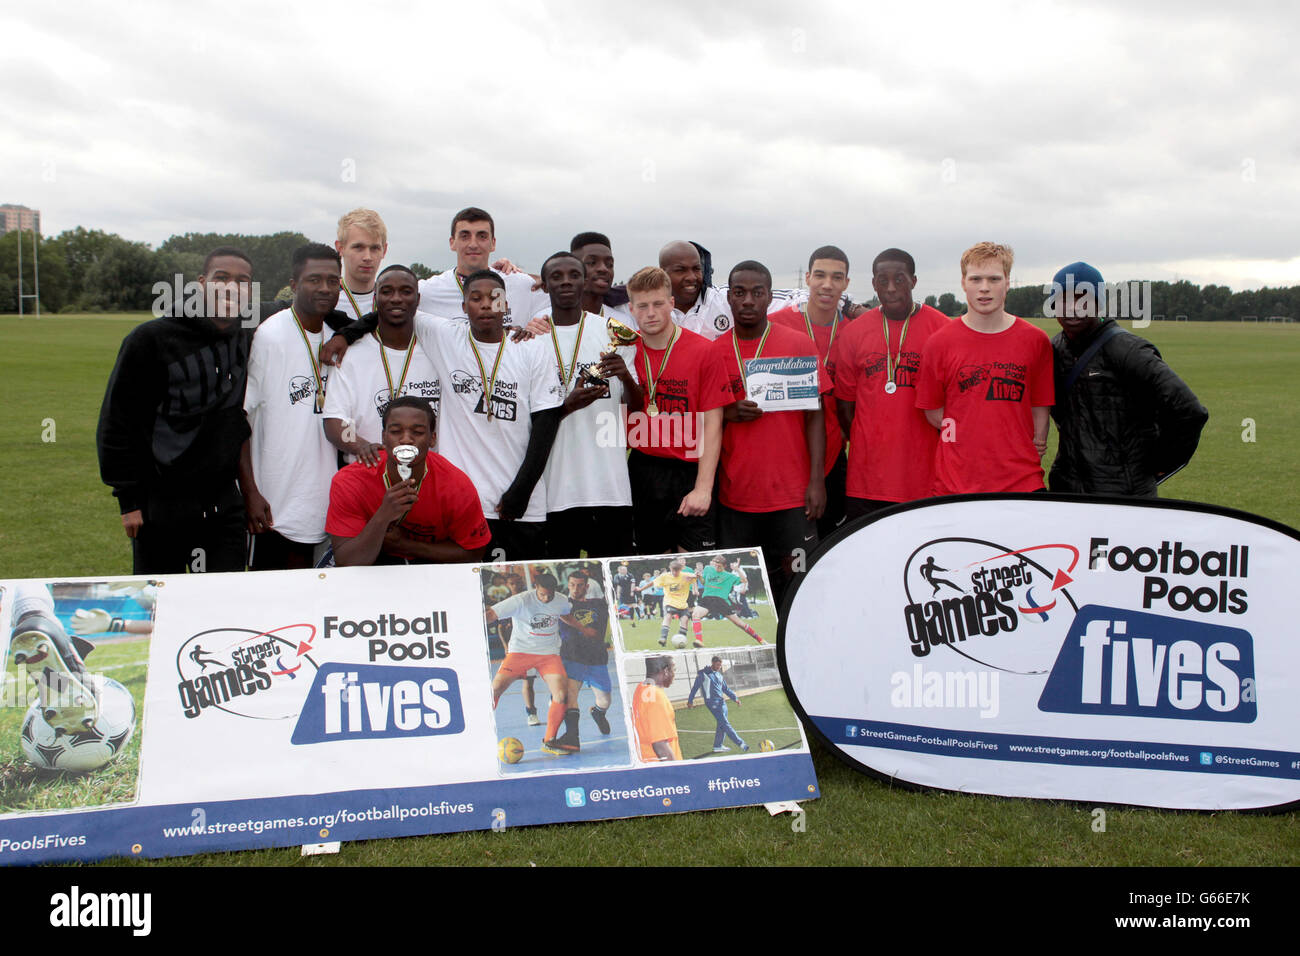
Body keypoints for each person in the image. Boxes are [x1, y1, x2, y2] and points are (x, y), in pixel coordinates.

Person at [97, 246, 353, 574]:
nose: (231, 287)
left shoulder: (248, 329)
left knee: (224, 603)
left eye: (242, 281)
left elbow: (317, 305)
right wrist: (128, 501)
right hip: (162, 501)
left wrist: (347, 333)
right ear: (201, 283)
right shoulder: (151, 339)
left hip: (223, 504)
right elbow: (118, 422)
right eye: (222, 278)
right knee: (162, 600)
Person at [412, 271, 566, 559]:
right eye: (476, 298)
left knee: (514, 597)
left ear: (506, 305)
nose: (485, 305)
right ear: (463, 307)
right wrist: (346, 336)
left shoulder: (531, 348)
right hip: (459, 504)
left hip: (518, 507)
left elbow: (547, 423)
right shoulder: (446, 336)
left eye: (494, 298)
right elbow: (394, 307)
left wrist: (521, 490)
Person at [711, 260, 830, 605]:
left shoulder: (798, 345)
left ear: (768, 298)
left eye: (757, 292)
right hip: (736, 496)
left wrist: (817, 480)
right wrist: (727, 413)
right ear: (729, 299)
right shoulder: (714, 352)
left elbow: (815, 417)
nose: (748, 300)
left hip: (792, 496)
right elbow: (703, 420)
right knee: (738, 590)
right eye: (739, 292)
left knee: (800, 581)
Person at [1047, 261, 1208, 495]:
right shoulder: (1052, 350)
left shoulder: (1129, 350)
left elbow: (1189, 411)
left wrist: (1158, 465)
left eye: (1083, 299)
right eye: (1064, 299)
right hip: (1067, 491)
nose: (1073, 308)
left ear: (1099, 303)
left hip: (1124, 496)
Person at [915, 242, 1054, 494]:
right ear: (963, 282)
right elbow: (934, 411)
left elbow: (1040, 407)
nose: (984, 288)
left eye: (994, 279)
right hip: (956, 485)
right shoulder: (939, 343)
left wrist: (1029, 443)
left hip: (1022, 484)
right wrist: (969, 433)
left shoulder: (1035, 341)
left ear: (1008, 282)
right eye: (976, 278)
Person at [241, 243, 347, 570]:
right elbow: (240, 420)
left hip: (324, 500)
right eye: (314, 279)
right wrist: (250, 492)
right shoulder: (269, 336)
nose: (325, 288)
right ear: (293, 284)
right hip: (275, 501)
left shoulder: (338, 336)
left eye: (332, 280)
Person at [535, 251, 640, 559]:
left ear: (585, 281)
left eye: (573, 275)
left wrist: (625, 376)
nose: (566, 282)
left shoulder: (612, 332)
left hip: (609, 486)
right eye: (556, 276)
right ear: (544, 286)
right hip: (555, 486)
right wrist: (565, 406)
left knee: (615, 581)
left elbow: (636, 407)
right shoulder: (531, 338)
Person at [831, 248, 951, 518]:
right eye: (882, 281)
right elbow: (845, 404)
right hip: (866, 481)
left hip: (926, 478)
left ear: (914, 281)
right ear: (874, 284)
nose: (891, 288)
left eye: (900, 279)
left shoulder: (942, 329)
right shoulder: (854, 333)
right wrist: (871, 442)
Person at [623, 266, 728, 554]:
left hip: (690, 468)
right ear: (631, 308)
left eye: (658, 304)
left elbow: (713, 424)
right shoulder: (625, 351)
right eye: (642, 306)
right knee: (651, 566)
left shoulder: (704, 351)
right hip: (644, 467)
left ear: (671, 304)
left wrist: (703, 488)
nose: (651, 313)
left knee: (694, 565)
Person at [325, 396, 490, 565]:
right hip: (370, 562)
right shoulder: (350, 481)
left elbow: (474, 552)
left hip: (430, 562)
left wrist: (406, 546)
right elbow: (346, 562)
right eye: (396, 431)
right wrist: (383, 516)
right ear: (384, 437)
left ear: (432, 439)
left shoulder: (456, 485)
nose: (405, 439)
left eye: (417, 432)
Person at [770, 245, 854, 537]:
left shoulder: (855, 331)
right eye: (820, 275)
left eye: (836, 277)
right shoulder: (775, 325)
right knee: (786, 547)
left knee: (832, 543)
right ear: (807, 278)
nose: (827, 284)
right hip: (784, 454)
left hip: (832, 454)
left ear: (846, 283)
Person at [322, 264, 441, 465]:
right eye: (387, 292)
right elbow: (336, 421)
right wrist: (360, 445)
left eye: (406, 291)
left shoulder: (437, 352)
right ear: (376, 300)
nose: (396, 298)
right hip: (370, 473)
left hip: (426, 477)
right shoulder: (352, 354)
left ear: (417, 300)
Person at [484, 572, 598, 754]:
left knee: (561, 695)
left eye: (549, 595)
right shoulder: (521, 600)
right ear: (535, 588)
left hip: (548, 654)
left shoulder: (561, 600)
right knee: (495, 688)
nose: (546, 599)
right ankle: (480, 731)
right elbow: (491, 615)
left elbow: (565, 615)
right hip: (520, 651)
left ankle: (549, 741)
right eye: (542, 594)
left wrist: (583, 629)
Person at [416, 206, 548, 324]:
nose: (473, 244)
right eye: (465, 236)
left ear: (493, 243)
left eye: (482, 236)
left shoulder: (520, 284)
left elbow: (563, 296)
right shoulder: (427, 291)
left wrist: (544, 277)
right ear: (452, 243)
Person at [558, 569, 615, 745]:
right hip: (572, 657)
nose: (575, 589)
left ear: (587, 586)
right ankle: (572, 737)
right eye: (572, 585)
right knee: (570, 697)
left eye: (580, 585)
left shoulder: (598, 604)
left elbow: (597, 632)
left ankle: (598, 712)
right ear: (568, 585)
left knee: (605, 699)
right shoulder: (561, 604)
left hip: (596, 658)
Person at [689, 555, 765, 646]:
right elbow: (704, 582)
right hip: (707, 599)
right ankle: (699, 641)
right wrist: (699, 577)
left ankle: (760, 640)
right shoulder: (708, 569)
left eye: (719, 565)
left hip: (721, 601)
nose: (716, 567)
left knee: (739, 623)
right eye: (715, 564)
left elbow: (744, 580)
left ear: (724, 566)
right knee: (695, 614)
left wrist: (737, 569)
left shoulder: (729, 576)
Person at [334, 208, 388, 319]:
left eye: (374, 248)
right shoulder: (323, 303)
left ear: (384, 250)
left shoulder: (394, 303)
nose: (367, 257)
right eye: (358, 247)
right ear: (340, 248)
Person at [688, 656, 749, 754]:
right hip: (712, 703)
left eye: (720, 665)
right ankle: (741, 744)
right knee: (725, 724)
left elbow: (726, 689)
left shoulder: (719, 675)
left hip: (722, 703)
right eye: (717, 665)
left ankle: (717, 746)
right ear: (712, 663)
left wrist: (735, 698)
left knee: (721, 725)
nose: (719, 667)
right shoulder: (703, 673)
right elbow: (695, 687)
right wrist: (690, 700)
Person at [631, 655, 681, 762]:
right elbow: (660, 745)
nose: (674, 674)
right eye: (674, 669)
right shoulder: (657, 697)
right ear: (666, 671)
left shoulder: (641, 688)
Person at [638, 558, 696, 647]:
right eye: (673, 571)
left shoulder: (685, 575)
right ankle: (663, 638)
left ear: (680, 569)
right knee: (668, 616)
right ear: (670, 568)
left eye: (677, 571)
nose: (675, 573)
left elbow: (697, 578)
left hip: (682, 604)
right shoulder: (664, 576)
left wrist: (698, 576)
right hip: (669, 602)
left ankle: (681, 640)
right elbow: (653, 582)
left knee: (685, 620)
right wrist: (641, 589)